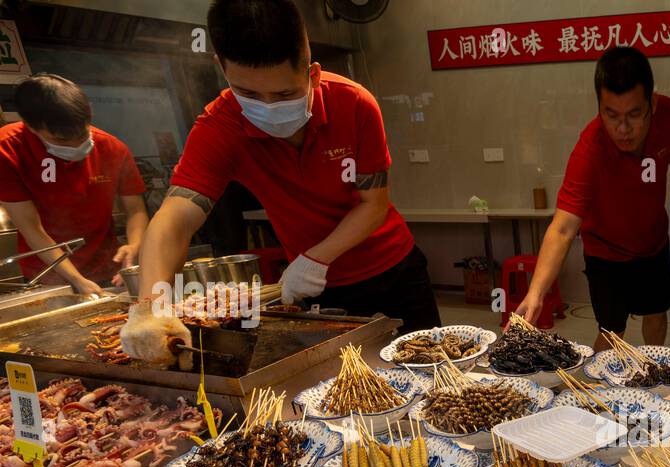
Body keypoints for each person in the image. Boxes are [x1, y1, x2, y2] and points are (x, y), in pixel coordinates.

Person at [121, 0, 437, 366]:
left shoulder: (354, 104)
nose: (268, 106)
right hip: (317, 291)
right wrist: (150, 307)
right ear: (221, 69)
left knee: (430, 370)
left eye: (285, 94)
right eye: (249, 94)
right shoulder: (219, 128)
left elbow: (373, 205)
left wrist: (315, 258)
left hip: (395, 272)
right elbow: (173, 221)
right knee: (343, 381)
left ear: (312, 73)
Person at [517, 46, 670, 352]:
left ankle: (652, 365)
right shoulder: (590, 149)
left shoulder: (667, 114)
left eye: (634, 114)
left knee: (656, 313)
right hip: (605, 252)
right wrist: (536, 293)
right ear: (599, 108)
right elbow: (563, 228)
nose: (623, 129)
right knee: (612, 331)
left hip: (653, 242)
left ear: (652, 104)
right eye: (612, 115)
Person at [0, 74, 147, 295]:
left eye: (82, 134)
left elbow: (136, 211)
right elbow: (32, 228)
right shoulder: (7, 150)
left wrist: (135, 246)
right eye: (61, 140)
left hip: (108, 267)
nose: (76, 145)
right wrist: (76, 279)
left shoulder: (111, 147)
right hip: (48, 275)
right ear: (31, 126)